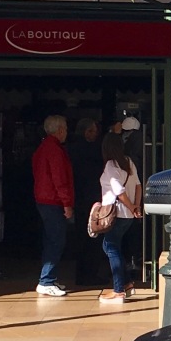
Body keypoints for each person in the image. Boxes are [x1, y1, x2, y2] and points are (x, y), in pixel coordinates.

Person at [97, 131, 142, 304]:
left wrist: (131, 206)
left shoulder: (110, 165)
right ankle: (126, 283)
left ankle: (118, 291)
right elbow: (138, 185)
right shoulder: (128, 162)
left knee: (111, 248)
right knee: (112, 247)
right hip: (128, 215)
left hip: (116, 213)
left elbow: (119, 191)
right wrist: (136, 207)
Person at [31, 115, 74, 297]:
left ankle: (49, 277)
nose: (66, 132)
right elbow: (60, 179)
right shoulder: (55, 150)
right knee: (56, 239)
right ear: (60, 130)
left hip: (44, 199)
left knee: (51, 239)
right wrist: (67, 204)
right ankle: (46, 280)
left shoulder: (43, 148)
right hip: (53, 201)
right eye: (65, 128)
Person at [68, 118, 107, 287]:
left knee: (82, 238)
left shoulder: (72, 149)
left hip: (80, 197)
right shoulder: (90, 150)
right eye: (92, 131)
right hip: (90, 198)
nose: (95, 134)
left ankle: (82, 274)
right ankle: (89, 274)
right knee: (92, 237)